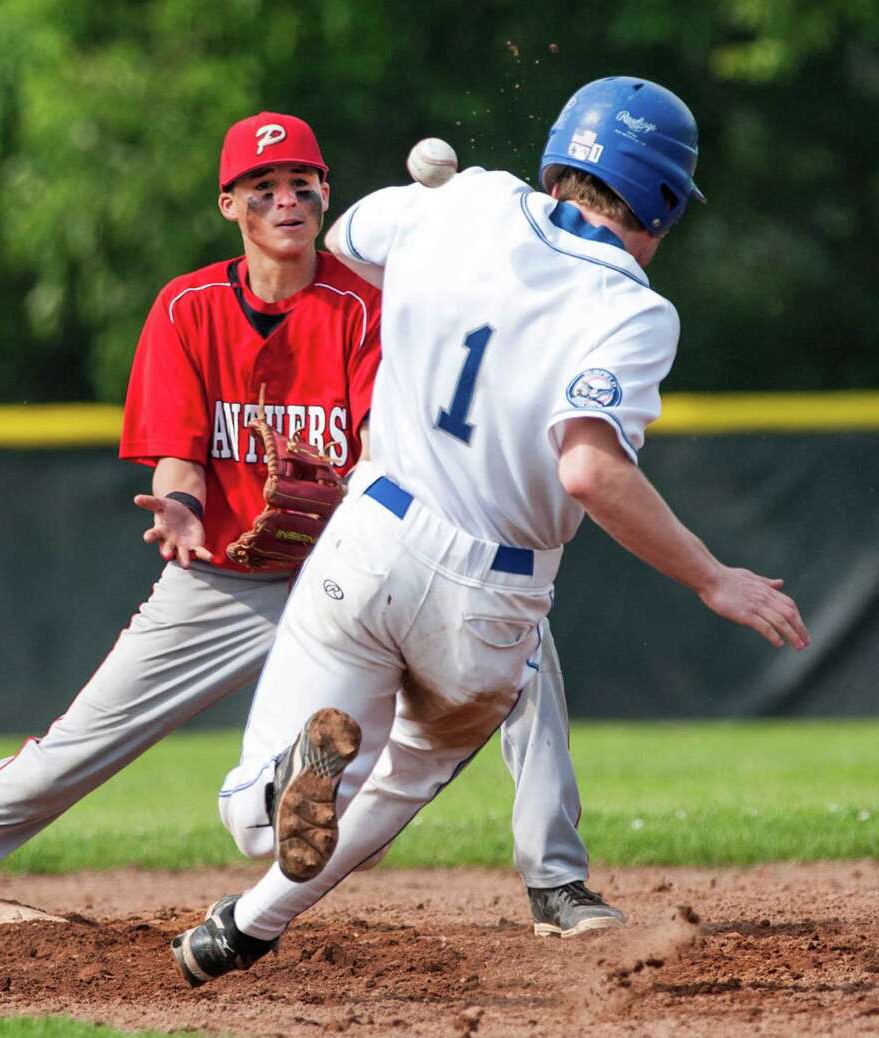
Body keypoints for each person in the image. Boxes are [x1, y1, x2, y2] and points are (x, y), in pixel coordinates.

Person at [0, 110, 603, 961]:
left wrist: (345, 490)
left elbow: (388, 444)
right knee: (69, 754)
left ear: (326, 195)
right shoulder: (187, 308)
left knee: (525, 653)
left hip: (362, 571)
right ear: (229, 204)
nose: (286, 200)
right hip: (226, 579)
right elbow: (178, 457)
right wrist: (181, 506)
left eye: (301, 183)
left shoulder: (366, 306)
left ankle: (556, 884)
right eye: (263, 186)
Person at [172, 77, 811, 987]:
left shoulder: (465, 200)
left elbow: (343, 239)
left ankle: (273, 797)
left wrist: (434, 231)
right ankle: (242, 930)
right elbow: (589, 470)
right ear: (665, 203)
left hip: (372, 535)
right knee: (402, 775)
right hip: (489, 599)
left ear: (557, 162)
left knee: (256, 817)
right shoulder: (632, 310)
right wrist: (713, 577)